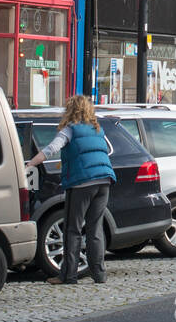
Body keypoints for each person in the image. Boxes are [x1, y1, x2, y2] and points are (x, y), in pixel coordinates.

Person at [25, 95, 116, 284]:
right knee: (95, 229)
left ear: (70, 110)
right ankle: (99, 274)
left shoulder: (69, 130)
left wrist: (29, 165)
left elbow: (51, 149)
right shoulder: (97, 129)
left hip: (82, 183)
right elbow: (104, 152)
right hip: (104, 180)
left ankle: (68, 275)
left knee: (72, 229)